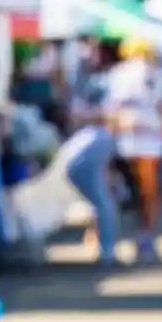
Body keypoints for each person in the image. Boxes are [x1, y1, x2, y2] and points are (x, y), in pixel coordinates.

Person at [106, 37, 162, 264]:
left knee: (118, 190)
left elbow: (111, 110)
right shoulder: (158, 75)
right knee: (149, 191)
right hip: (149, 138)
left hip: (125, 137)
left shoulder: (118, 74)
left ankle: (110, 239)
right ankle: (146, 237)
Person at [66, 40, 120, 266]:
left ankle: (105, 249)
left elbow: (91, 114)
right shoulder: (96, 79)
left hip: (96, 140)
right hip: (99, 140)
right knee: (102, 199)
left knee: (102, 200)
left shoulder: (103, 81)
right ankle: (104, 247)